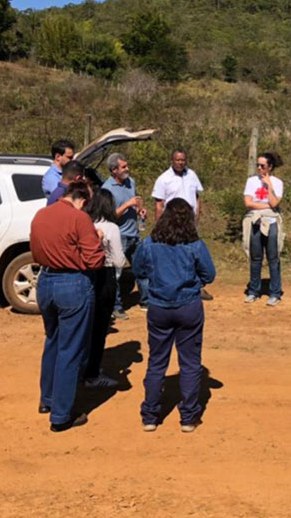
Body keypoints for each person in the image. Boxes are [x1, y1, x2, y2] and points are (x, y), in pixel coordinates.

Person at [132, 198, 216, 433]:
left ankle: (150, 415)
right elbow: (209, 274)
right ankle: (188, 417)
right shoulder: (195, 245)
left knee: (157, 361)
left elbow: (138, 270)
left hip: (159, 306)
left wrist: (155, 282)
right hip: (188, 306)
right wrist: (194, 283)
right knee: (190, 363)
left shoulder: (149, 244)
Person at [30, 181, 105, 432]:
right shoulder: (80, 219)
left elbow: (35, 249)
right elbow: (95, 260)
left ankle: (47, 399)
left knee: (53, 340)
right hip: (72, 284)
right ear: (82, 200)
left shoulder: (41, 215)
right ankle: (61, 416)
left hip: (45, 282)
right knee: (71, 350)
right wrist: (98, 239)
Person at [151, 149, 213, 301]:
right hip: (171, 224)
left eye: (183, 160)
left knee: (193, 254)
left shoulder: (192, 175)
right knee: (175, 254)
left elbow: (197, 197)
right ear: (172, 160)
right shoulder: (163, 179)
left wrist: (198, 214)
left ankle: (197, 286)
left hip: (189, 222)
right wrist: (159, 226)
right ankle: (173, 286)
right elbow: (159, 205)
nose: (180, 163)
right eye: (178, 160)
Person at [83, 189, 127, 389]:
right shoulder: (111, 228)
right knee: (100, 328)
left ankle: (82, 368)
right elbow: (119, 260)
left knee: (85, 326)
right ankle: (92, 374)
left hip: (85, 277)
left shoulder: (85, 223)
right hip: (105, 274)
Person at [103, 153, 149, 316]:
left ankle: (146, 301)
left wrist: (140, 210)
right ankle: (116, 307)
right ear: (114, 170)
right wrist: (127, 205)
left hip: (134, 233)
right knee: (116, 273)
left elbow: (136, 203)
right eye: (124, 167)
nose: (127, 169)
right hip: (119, 236)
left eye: (127, 165)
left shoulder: (131, 182)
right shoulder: (107, 189)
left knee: (142, 269)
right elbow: (110, 216)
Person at [242, 152, 285, 306]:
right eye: (258, 165)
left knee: (273, 258)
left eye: (263, 166)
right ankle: (254, 291)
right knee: (256, 257)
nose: (259, 168)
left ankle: (275, 292)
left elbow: (274, 202)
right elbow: (248, 203)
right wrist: (266, 206)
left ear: (270, 167)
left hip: (272, 222)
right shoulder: (251, 181)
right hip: (255, 221)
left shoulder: (277, 182)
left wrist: (269, 186)